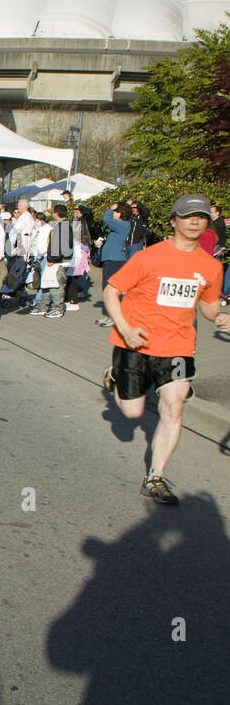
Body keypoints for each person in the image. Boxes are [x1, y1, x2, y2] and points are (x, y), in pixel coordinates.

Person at [101, 194, 230, 506]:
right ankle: (115, 377)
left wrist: (220, 316)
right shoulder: (149, 257)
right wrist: (126, 328)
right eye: (187, 216)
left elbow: (209, 306)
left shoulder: (211, 267)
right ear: (174, 221)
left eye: (201, 216)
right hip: (136, 342)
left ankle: (155, 476)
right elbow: (111, 290)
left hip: (178, 346)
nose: (195, 221)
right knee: (132, 412)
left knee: (173, 406)